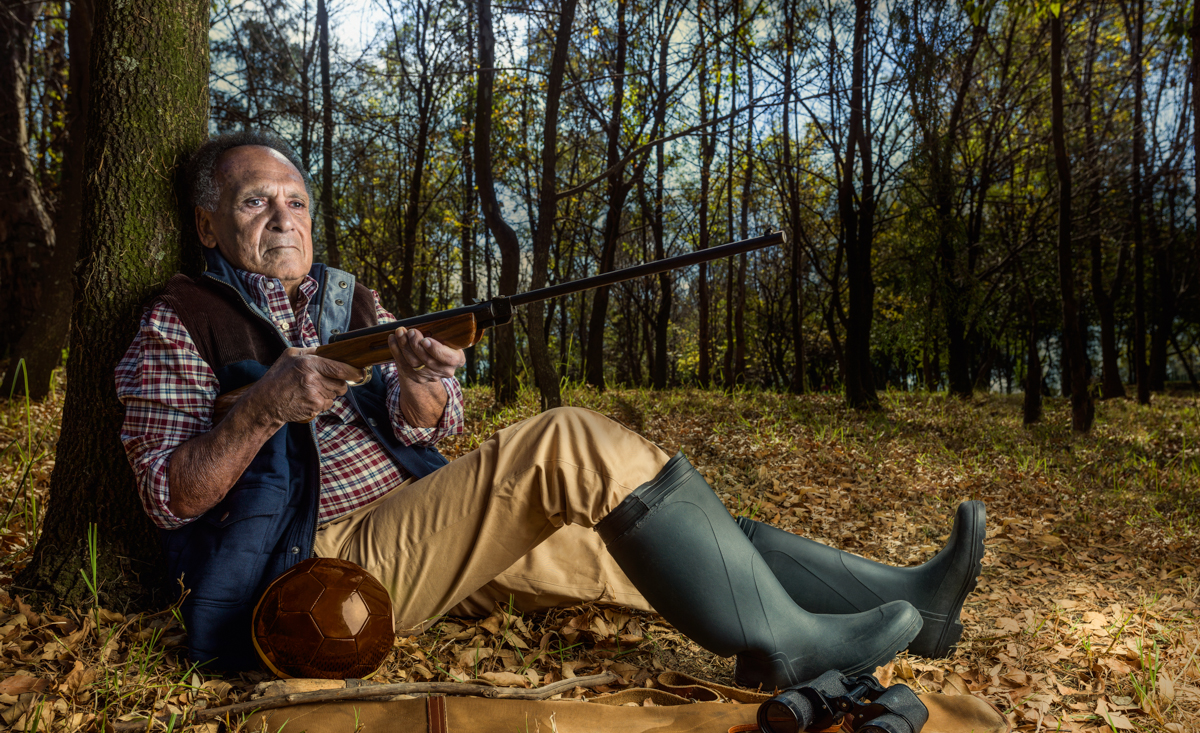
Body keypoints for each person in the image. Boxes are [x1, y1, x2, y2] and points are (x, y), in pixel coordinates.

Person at [116, 132, 986, 690]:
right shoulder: (178, 318)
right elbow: (168, 494)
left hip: (419, 519)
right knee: (567, 440)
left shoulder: (349, 301)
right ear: (207, 223)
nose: (284, 217)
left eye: (297, 200)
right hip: (315, 563)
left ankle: (908, 598)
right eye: (255, 200)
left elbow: (433, 428)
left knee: (649, 535)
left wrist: (422, 384)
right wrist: (263, 409)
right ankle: (785, 645)